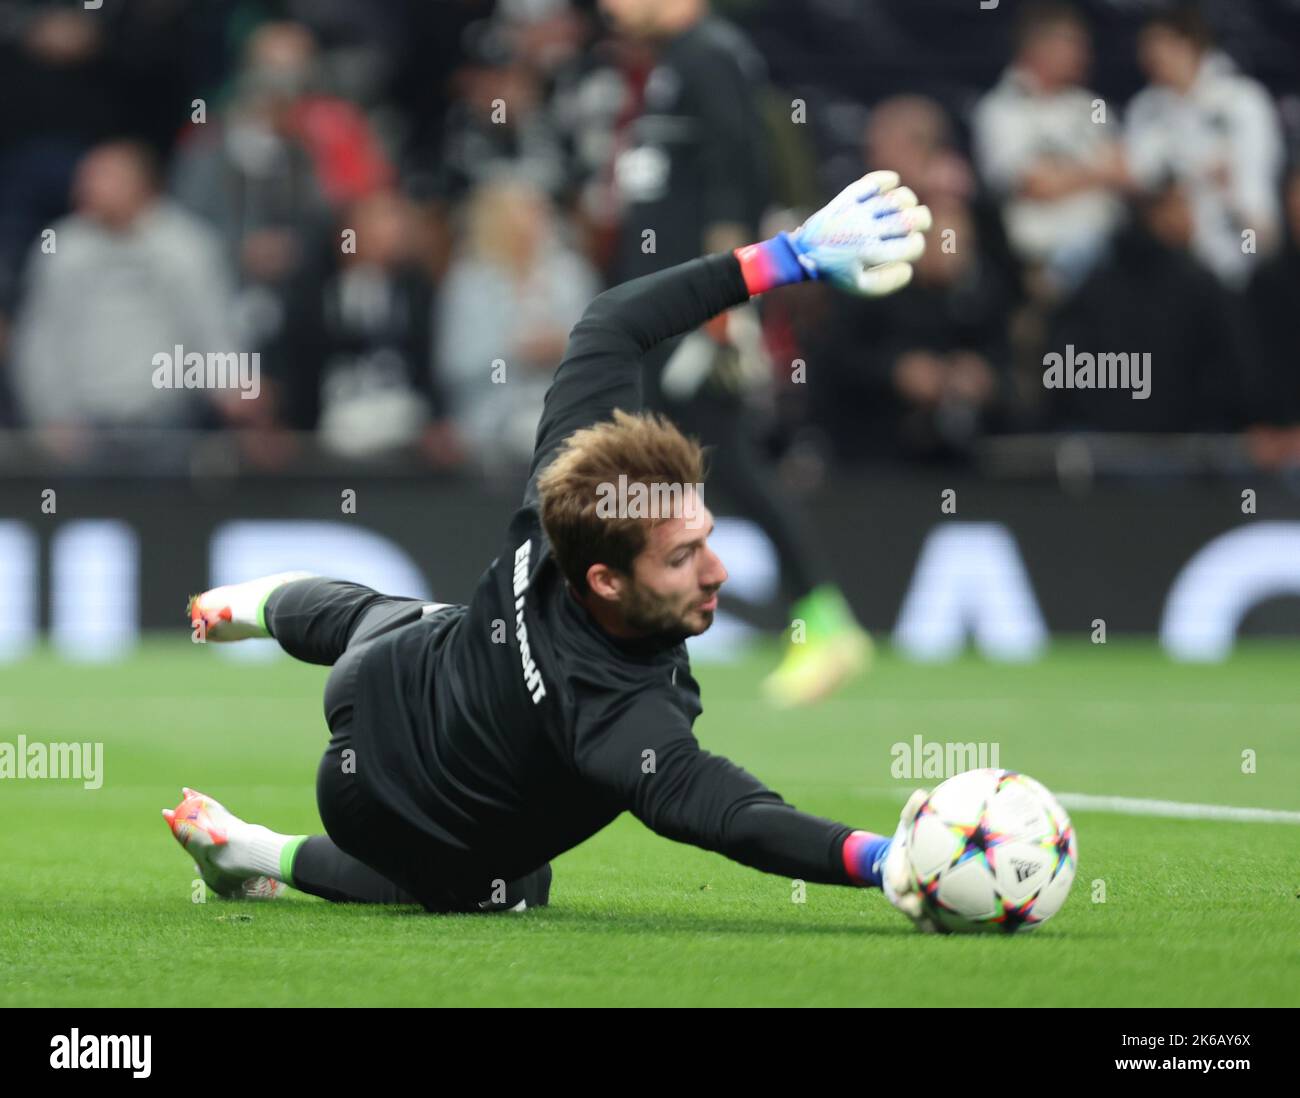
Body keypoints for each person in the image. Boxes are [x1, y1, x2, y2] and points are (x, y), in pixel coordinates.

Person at [166, 172, 948, 931]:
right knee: (509, 884)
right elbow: (737, 816)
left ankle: (241, 607)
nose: (719, 571)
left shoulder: (564, 490)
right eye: (683, 559)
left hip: (378, 671)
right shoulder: (618, 718)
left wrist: (789, 257)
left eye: (705, 538)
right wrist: (883, 859)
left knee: (420, 621)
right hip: (372, 809)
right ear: (605, 580)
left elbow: (610, 323)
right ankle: (249, 847)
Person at [600, 0, 872, 706]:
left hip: (693, 312)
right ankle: (645, 628)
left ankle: (821, 618)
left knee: (717, 461)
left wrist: (723, 298)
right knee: (677, 466)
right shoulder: (676, 64)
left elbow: (740, 173)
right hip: (668, 308)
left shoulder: (708, 54)